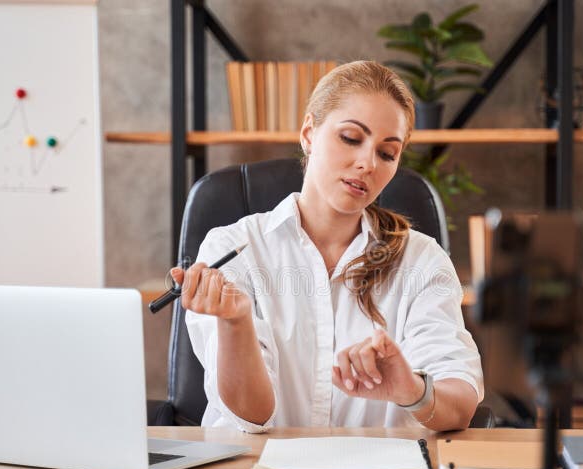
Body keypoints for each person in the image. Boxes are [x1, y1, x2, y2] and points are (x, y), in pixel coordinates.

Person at [169, 60, 483, 433]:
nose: (367, 163)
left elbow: (460, 404)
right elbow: (251, 418)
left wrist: (412, 390)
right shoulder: (234, 247)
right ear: (308, 133)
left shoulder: (422, 261)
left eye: (387, 153)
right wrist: (236, 323)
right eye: (351, 138)